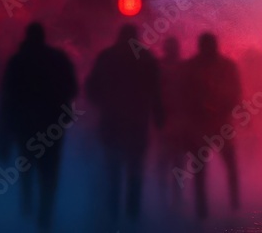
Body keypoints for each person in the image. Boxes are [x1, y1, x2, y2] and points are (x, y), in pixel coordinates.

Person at [0, 22, 78, 229]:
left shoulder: (17, 61)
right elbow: (72, 88)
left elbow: (8, 97)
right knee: (49, 173)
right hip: (52, 125)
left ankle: (26, 210)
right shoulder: (58, 59)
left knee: (26, 168)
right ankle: (45, 217)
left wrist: (4, 135)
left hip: (24, 126)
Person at [85, 24, 164, 223]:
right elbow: (156, 90)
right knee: (135, 168)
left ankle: (113, 213)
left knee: (113, 168)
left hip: (112, 121)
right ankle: (132, 214)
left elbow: (91, 87)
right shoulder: (146, 57)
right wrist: (157, 116)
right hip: (138, 121)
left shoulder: (107, 56)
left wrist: (103, 104)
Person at [180, 32, 242, 218]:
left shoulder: (194, 66)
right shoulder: (221, 66)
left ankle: (224, 207)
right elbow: (184, 94)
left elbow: (235, 92)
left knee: (216, 166)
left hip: (213, 122)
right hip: (207, 123)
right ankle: (225, 206)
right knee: (214, 167)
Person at [157, 37, 189, 207]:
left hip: (178, 120)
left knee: (176, 162)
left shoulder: (184, 68)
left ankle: (175, 198)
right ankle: (164, 198)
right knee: (164, 161)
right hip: (164, 119)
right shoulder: (158, 67)